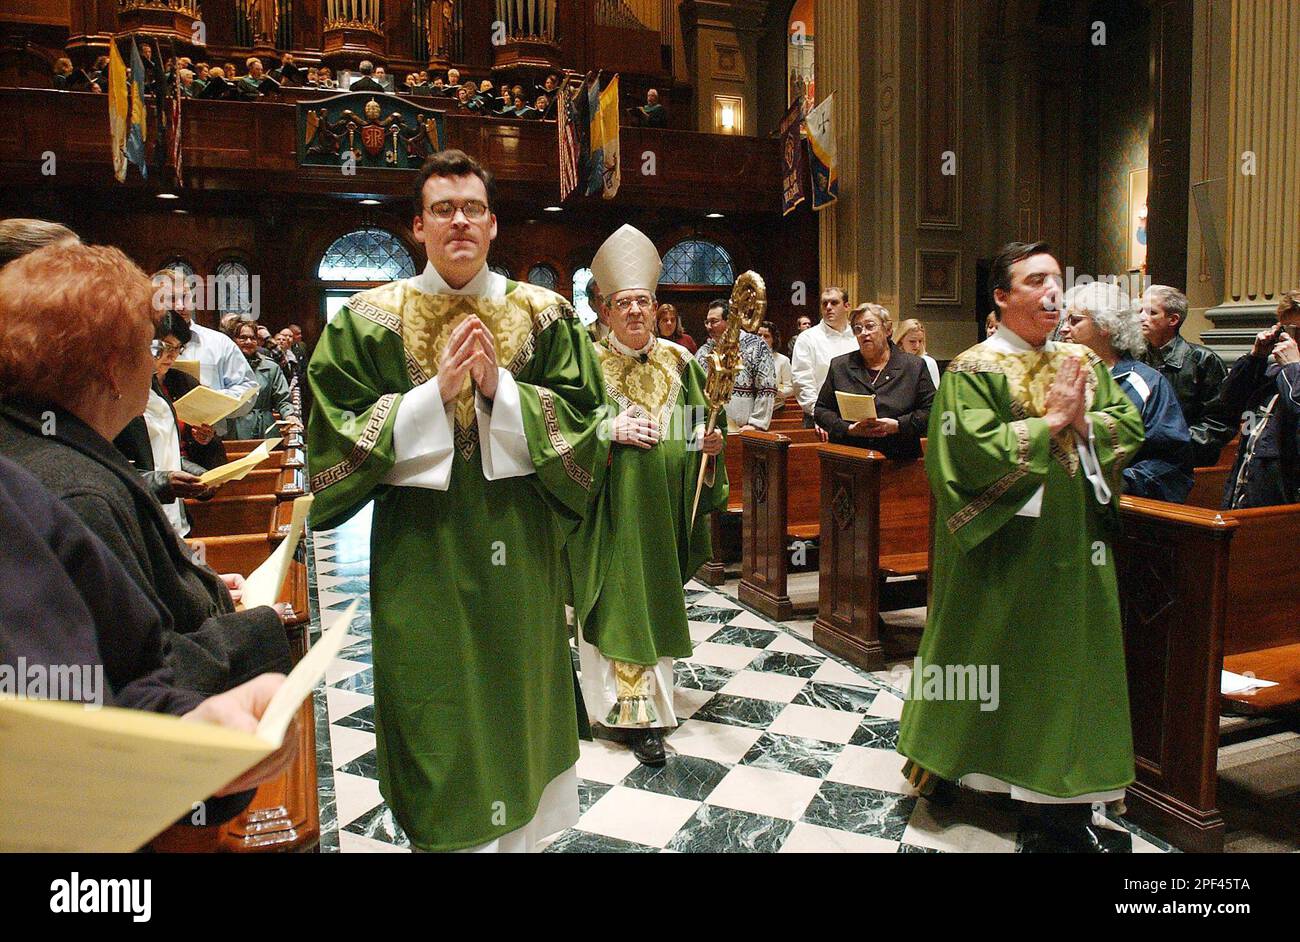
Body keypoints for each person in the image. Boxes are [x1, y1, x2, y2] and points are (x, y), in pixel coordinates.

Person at [307, 150, 607, 852]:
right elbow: (330, 428)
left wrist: (505, 393)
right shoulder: (369, 320)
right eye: (443, 209)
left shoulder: (544, 313)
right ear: (418, 226)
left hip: (521, 554)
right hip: (423, 556)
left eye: (472, 208)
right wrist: (430, 398)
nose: (459, 221)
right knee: (432, 708)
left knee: (516, 708)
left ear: (495, 224)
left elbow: (588, 419)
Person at [896, 241, 1145, 853]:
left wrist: (1085, 422)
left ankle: (1055, 805)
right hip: (1003, 550)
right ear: (1002, 298)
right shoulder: (973, 369)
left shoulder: (1082, 361)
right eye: (1034, 281)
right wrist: (1050, 424)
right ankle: (956, 764)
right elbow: (966, 455)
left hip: (1075, 546)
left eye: (1057, 280)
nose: (1051, 293)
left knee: (1063, 671)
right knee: (984, 659)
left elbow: (1129, 426)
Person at [0, 242, 293, 697]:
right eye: (148, 344)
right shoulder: (78, 495)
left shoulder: (37, 438)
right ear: (113, 369)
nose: (160, 361)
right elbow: (130, 683)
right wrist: (260, 628)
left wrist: (202, 589)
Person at [568, 225, 727, 766]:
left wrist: (707, 447)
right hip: (607, 515)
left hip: (659, 513)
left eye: (642, 302)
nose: (633, 312)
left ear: (656, 307)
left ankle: (652, 715)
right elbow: (560, 427)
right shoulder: (584, 363)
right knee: (616, 607)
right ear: (605, 311)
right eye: (622, 304)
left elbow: (689, 431)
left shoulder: (681, 365)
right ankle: (612, 711)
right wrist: (607, 432)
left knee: (651, 606)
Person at [1061, 282, 1193, 503]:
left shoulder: (1147, 384)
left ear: (1105, 326)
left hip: (1121, 510)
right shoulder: (1058, 375)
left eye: (1074, 320)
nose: (1064, 328)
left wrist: (1119, 483)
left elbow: (1170, 461)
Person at [814, 304, 934, 460]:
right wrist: (848, 428)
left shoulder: (913, 366)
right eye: (858, 329)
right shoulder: (840, 366)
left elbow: (931, 411)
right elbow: (821, 410)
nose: (864, 333)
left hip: (899, 458)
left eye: (870, 326)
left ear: (888, 330)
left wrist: (899, 425)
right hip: (851, 457)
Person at [153, 266, 259, 437]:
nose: (181, 306)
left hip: (211, 441)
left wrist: (210, 402)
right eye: (172, 299)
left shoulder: (218, 342)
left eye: (185, 298)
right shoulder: (143, 345)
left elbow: (249, 390)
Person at [1217, 292, 1300, 509]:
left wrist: (1293, 368)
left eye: (1296, 331)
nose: (1289, 339)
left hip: (1285, 505)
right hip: (1247, 489)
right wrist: (1256, 357)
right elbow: (1228, 403)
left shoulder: (1290, 373)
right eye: (1285, 330)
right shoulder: (1273, 373)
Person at [1139, 285, 1232, 466]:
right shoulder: (1133, 357)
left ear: (1173, 320)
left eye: (1151, 312)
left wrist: (1176, 444)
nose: (1141, 317)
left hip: (1185, 462)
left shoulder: (1204, 361)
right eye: (1140, 310)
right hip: (1141, 458)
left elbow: (1220, 422)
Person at [697, 298, 777, 432]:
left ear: (729, 321)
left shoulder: (756, 346)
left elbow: (767, 387)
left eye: (714, 321)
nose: (709, 326)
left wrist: (756, 424)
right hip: (710, 431)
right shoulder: (703, 351)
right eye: (707, 322)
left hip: (744, 430)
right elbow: (697, 392)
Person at [792, 286, 857, 431]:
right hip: (818, 417)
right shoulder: (808, 338)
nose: (828, 307)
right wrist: (821, 416)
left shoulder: (858, 336)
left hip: (855, 416)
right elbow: (802, 381)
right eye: (824, 303)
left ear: (847, 306)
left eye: (834, 303)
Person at [226, 321, 299, 440]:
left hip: (265, 429)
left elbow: (283, 400)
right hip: (233, 429)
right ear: (233, 340)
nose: (248, 342)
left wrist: (289, 415)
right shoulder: (225, 366)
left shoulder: (271, 367)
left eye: (253, 338)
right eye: (243, 338)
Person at [895, 318, 941, 389]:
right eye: (912, 341)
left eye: (920, 341)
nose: (917, 346)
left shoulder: (928, 362)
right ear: (901, 339)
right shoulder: (891, 361)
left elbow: (934, 394)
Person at [757, 321, 795, 399]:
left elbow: (790, 388)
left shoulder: (783, 360)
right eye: (759, 335)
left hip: (773, 404)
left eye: (766, 336)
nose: (761, 339)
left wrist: (775, 392)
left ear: (773, 339)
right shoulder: (747, 357)